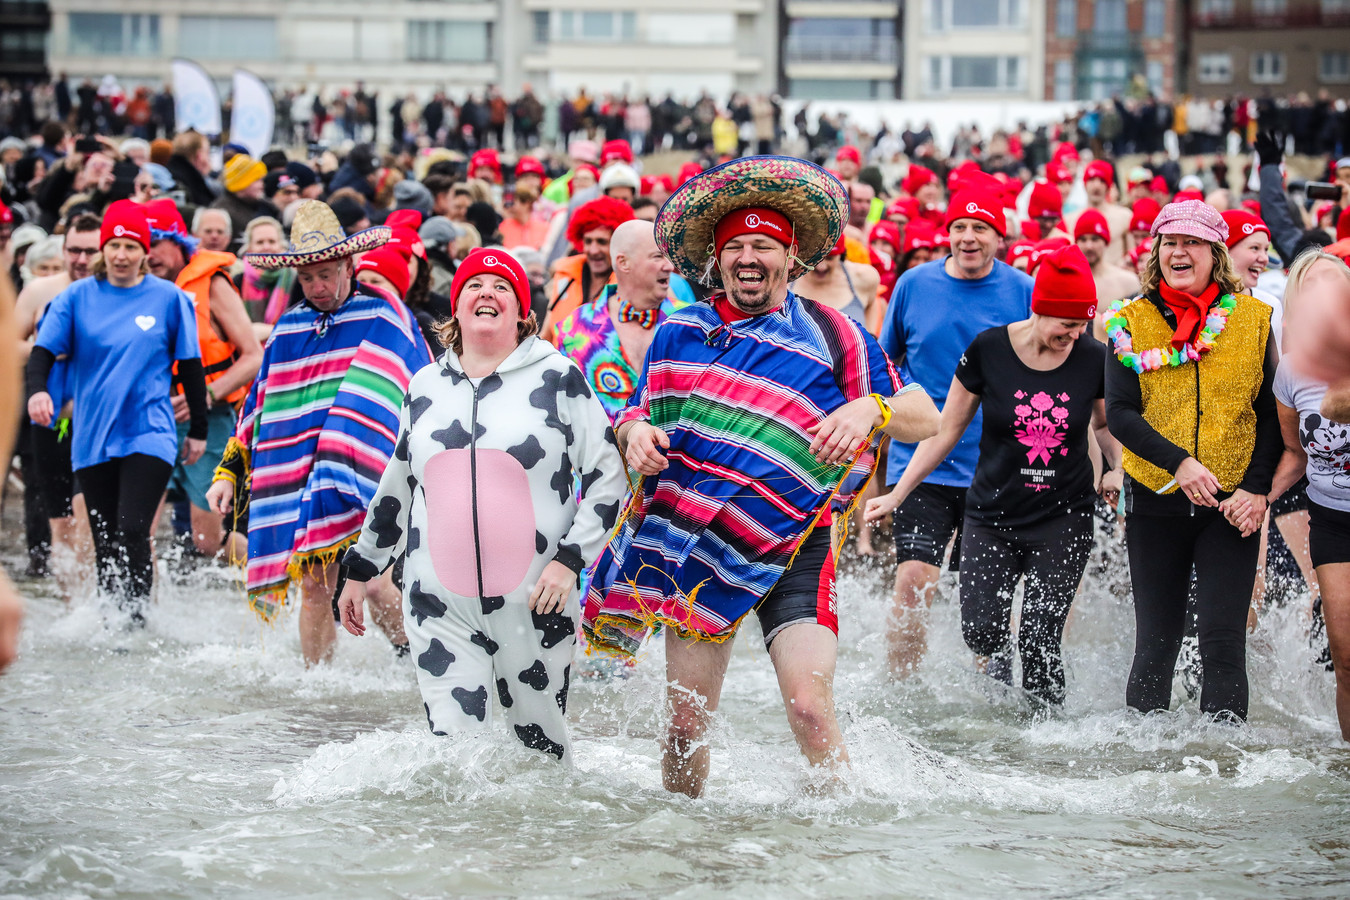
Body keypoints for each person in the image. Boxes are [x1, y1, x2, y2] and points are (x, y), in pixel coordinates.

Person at [583, 157, 939, 798]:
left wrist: (870, 407)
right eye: (736, 247)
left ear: (791, 256)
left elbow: (926, 415)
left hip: (797, 543)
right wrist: (633, 434)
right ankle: (683, 851)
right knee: (684, 728)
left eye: (764, 246)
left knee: (808, 709)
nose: (749, 258)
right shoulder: (680, 331)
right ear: (716, 262)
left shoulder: (838, 334)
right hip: (691, 547)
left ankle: (842, 850)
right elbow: (638, 412)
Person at [337, 249, 626, 757]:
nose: (486, 293)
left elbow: (609, 475)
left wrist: (569, 563)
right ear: (457, 305)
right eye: (474, 284)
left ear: (522, 311)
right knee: (454, 759)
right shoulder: (424, 386)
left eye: (501, 287)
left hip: (536, 599)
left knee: (541, 761)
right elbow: (399, 483)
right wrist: (361, 568)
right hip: (437, 602)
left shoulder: (558, 377)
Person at [867, 246, 1117, 705]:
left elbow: (1102, 425)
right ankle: (999, 707)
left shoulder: (1093, 357)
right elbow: (946, 428)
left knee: (1040, 640)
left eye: (1082, 324)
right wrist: (899, 492)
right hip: (993, 516)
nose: (1075, 334)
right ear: (1040, 309)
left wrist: (1116, 469)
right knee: (982, 633)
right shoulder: (989, 349)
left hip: (1063, 516)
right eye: (1067, 324)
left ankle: (1042, 746)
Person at [203, 200, 431, 666]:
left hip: (369, 471)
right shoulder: (288, 328)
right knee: (315, 582)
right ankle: (317, 689)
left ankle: (414, 657)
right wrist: (228, 473)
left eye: (325, 274)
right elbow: (259, 406)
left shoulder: (383, 315)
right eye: (306, 278)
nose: (317, 286)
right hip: (304, 476)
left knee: (371, 579)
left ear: (349, 265)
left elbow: (415, 386)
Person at [1104, 199, 1281, 721]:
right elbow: (1119, 414)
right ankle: (1147, 769)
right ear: (1156, 251)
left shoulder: (1253, 319)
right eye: (1169, 243)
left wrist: (1256, 488)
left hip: (1231, 503)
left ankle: (1224, 773)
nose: (1178, 252)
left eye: (1192, 243)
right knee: (1155, 642)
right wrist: (1178, 462)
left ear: (1216, 252)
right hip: (1156, 496)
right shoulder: (1127, 320)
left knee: (1223, 642)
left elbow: (1272, 414)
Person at [27, 200, 209, 624]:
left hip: (149, 430)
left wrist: (198, 428)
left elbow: (191, 365)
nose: (122, 255)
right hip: (92, 435)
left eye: (131, 246)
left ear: (145, 251)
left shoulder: (168, 298)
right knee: (105, 537)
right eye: (114, 246)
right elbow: (41, 353)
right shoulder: (76, 297)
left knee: (132, 528)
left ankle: (138, 619)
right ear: (102, 251)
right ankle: (112, 620)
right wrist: (38, 392)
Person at [878, 188, 1034, 677]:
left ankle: (989, 694)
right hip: (921, 463)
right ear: (947, 234)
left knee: (985, 599)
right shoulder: (912, 285)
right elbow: (886, 368)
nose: (968, 238)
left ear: (999, 236)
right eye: (959, 228)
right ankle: (902, 690)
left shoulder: (1023, 290)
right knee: (913, 582)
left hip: (995, 468)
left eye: (980, 228)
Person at [143, 198, 264, 558]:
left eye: (155, 244)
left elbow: (253, 356)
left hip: (208, 419)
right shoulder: (137, 285)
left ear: (178, 242)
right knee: (138, 528)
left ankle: (274, 576)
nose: (148, 255)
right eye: (141, 246)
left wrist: (204, 395)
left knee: (207, 540)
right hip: (152, 419)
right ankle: (142, 611)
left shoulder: (210, 282)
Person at [1266, 250, 1350, 741]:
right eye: (1311, 287)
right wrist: (1255, 498)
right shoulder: (1293, 370)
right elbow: (1295, 454)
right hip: (1333, 519)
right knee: (1344, 652)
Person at [554, 219, 688, 421]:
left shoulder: (692, 323)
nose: (669, 266)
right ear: (624, 263)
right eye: (657, 257)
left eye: (668, 257)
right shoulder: (574, 327)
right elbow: (564, 412)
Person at [541, 196, 633, 341]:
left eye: (602, 242)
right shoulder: (565, 275)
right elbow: (546, 334)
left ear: (619, 244)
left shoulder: (629, 284)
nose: (593, 250)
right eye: (588, 241)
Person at [790, 234, 879, 327]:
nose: (821, 267)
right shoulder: (786, 281)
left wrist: (872, 335)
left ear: (841, 255)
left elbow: (872, 304)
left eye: (829, 258)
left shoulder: (864, 278)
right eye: (816, 259)